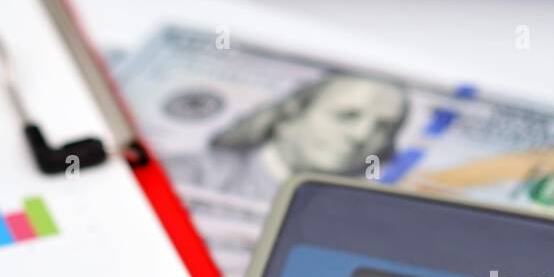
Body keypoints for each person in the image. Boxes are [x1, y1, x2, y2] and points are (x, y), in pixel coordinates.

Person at [168, 74, 409, 201]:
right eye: (346, 115)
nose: (361, 135)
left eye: (384, 128)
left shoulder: (360, 214)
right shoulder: (186, 173)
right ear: (289, 115)